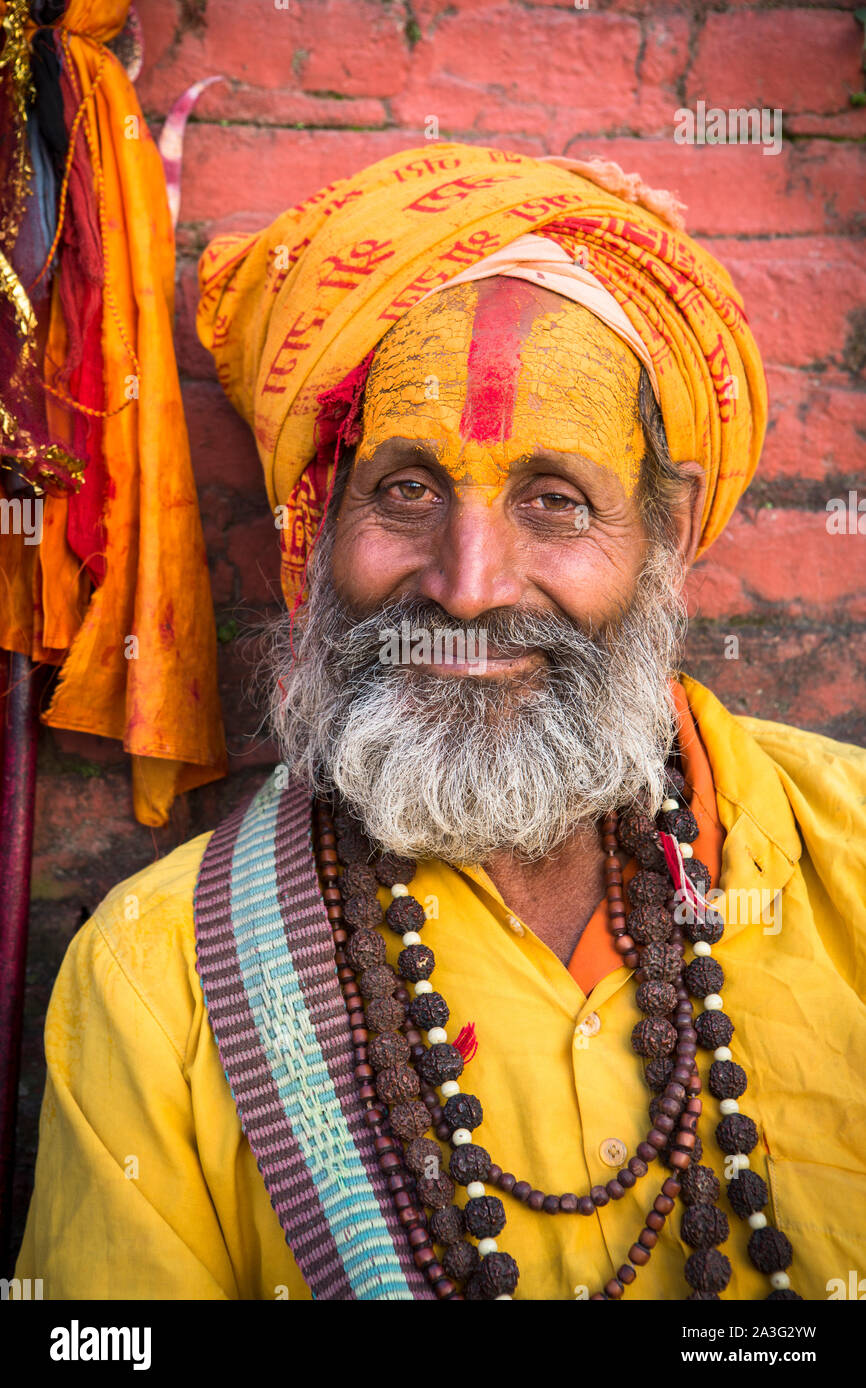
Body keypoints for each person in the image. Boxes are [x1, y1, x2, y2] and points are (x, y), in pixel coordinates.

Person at [16, 144, 866, 1301]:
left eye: (552, 501)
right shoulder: (153, 975)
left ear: (660, 537)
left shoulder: (849, 854)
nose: (467, 588)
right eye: (406, 489)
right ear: (318, 518)